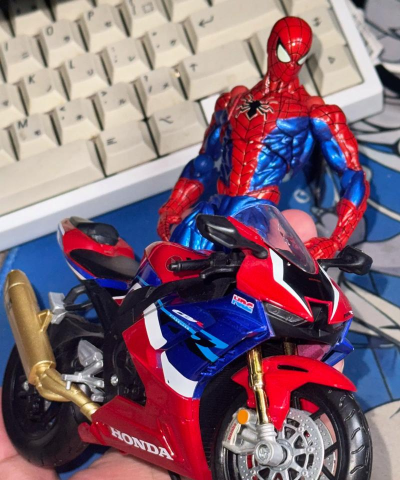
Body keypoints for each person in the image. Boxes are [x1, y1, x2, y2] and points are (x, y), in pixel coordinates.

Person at [157, 17, 369, 259]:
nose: (291, 64)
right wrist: (173, 205)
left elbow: (353, 175)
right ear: (271, 46)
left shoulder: (314, 112)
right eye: (285, 53)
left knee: (245, 272)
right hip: (215, 205)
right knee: (170, 262)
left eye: (298, 58)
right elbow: (203, 162)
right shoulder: (233, 101)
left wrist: (336, 240)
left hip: (257, 213)